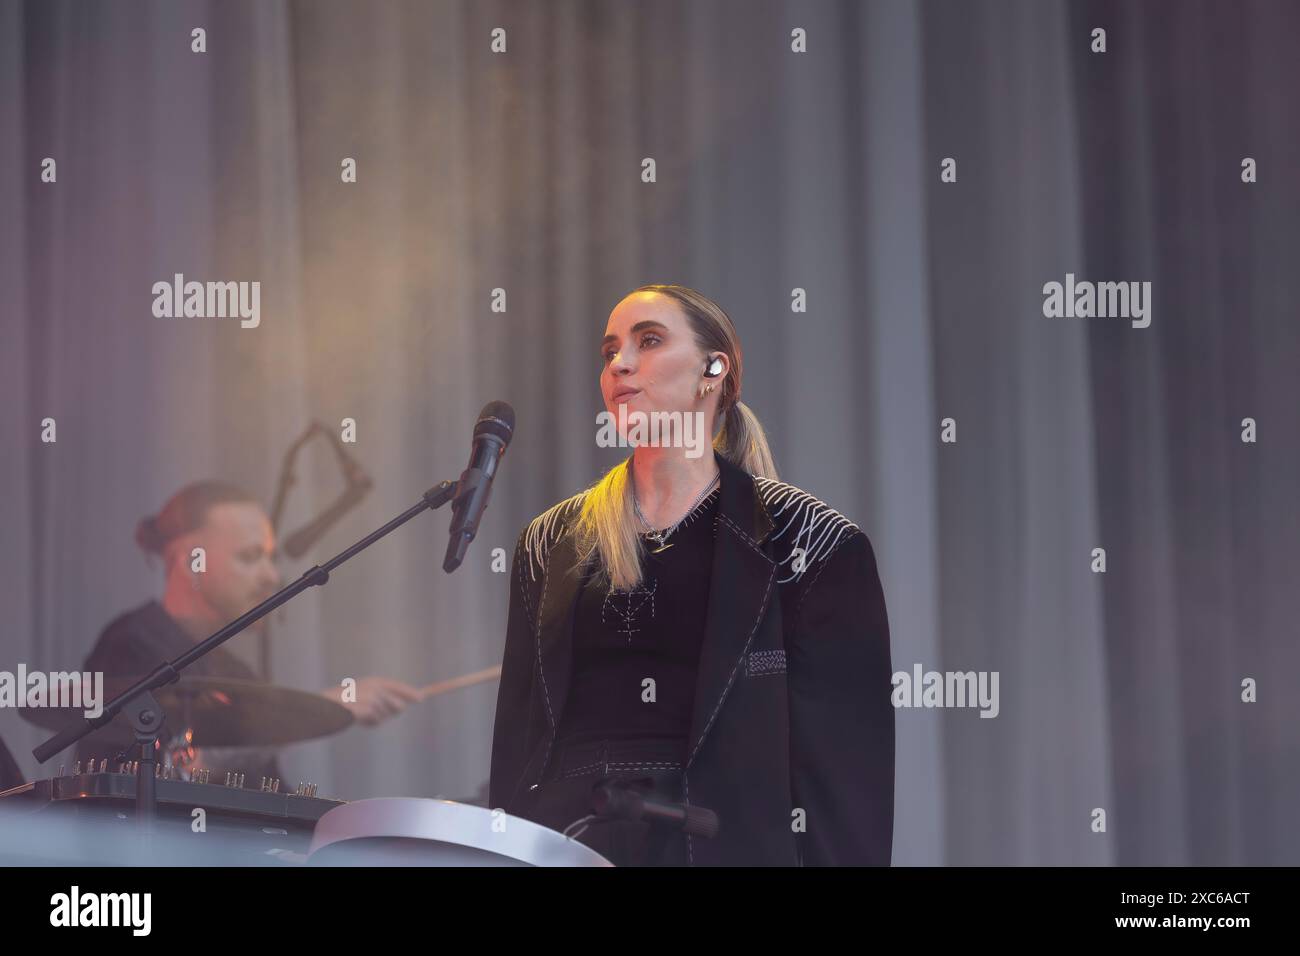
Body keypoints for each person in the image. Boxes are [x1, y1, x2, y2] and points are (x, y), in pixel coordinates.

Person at [488, 284, 894, 866]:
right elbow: (516, 752)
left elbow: (846, 779)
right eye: (609, 352)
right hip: (568, 845)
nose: (619, 364)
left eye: (647, 341)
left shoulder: (810, 540)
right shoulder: (547, 542)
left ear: (713, 368)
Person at [78, 482, 420, 784]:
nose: (272, 576)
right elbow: (169, 771)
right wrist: (314, 711)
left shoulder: (236, 673)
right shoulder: (130, 645)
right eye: (250, 557)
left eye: (270, 557)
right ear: (190, 563)